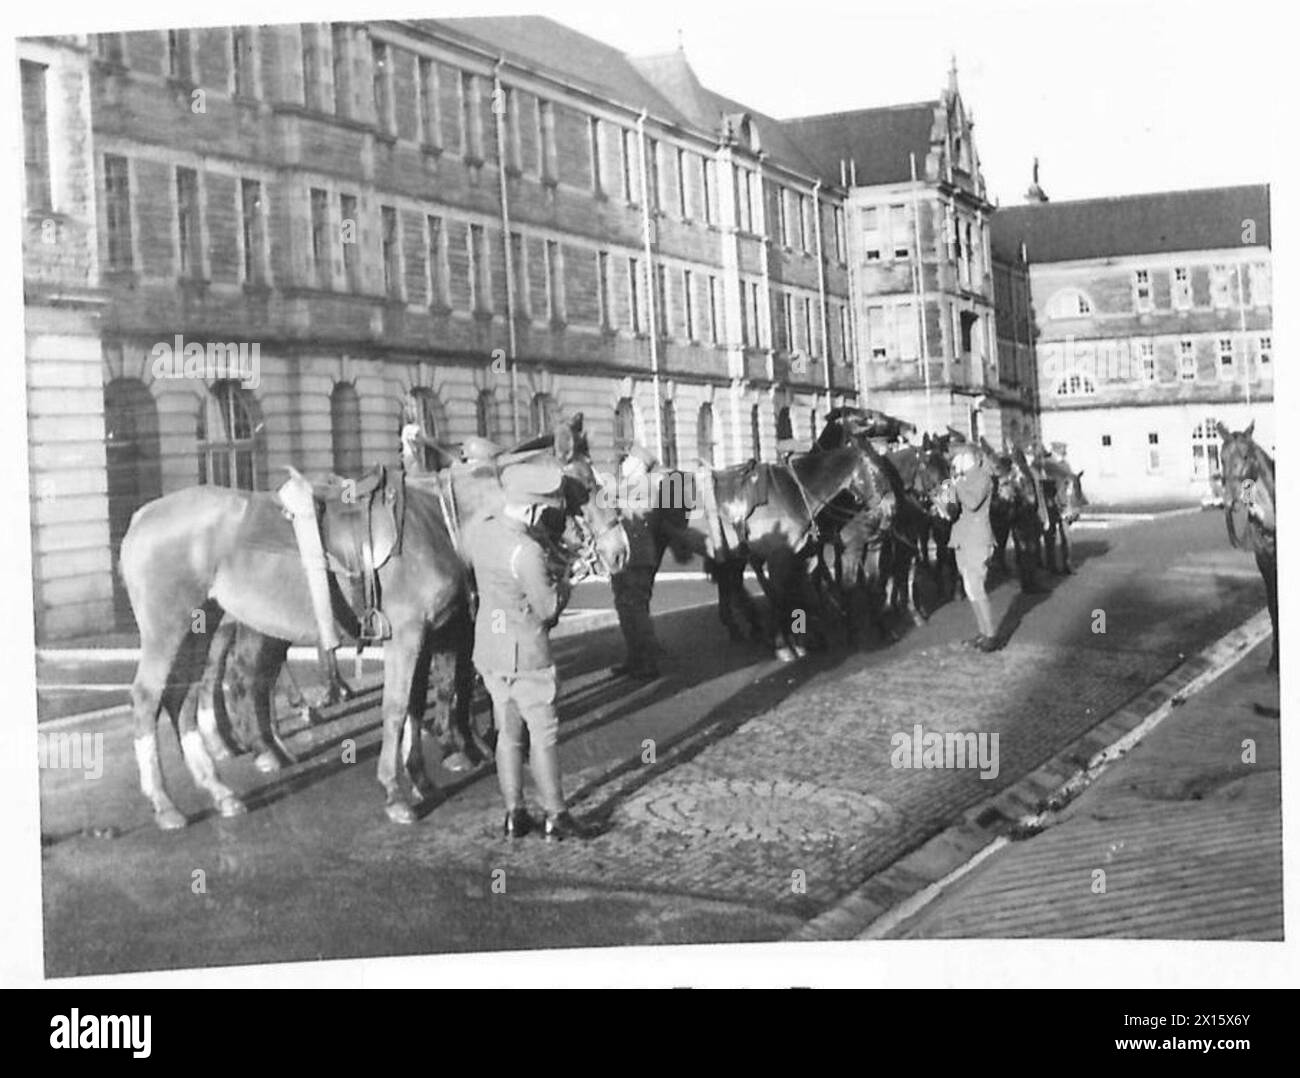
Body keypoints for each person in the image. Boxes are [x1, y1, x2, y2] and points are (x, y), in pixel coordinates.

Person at [465, 458, 591, 841]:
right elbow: (548, 609)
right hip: (526, 654)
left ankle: (514, 814)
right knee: (543, 734)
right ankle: (556, 815)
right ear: (532, 508)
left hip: (490, 648)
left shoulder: (483, 534)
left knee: (508, 734)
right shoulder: (527, 551)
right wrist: (569, 580)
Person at [610, 444, 663, 680]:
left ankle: (649, 661)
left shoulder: (647, 487)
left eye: (628, 460)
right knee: (625, 608)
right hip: (625, 559)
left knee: (637, 610)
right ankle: (633, 658)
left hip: (638, 558)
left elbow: (634, 513)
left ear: (638, 464)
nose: (623, 464)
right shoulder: (626, 487)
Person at [949, 444, 999, 652]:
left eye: (960, 457)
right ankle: (982, 632)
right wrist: (942, 499)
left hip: (977, 539)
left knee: (976, 587)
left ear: (972, 459)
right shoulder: (964, 478)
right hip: (962, 539)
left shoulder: (982, 477)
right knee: (970, 589)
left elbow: (972, 502)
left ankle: (991, 635)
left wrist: (957, 484)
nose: (956, 461)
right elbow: (953, 509)